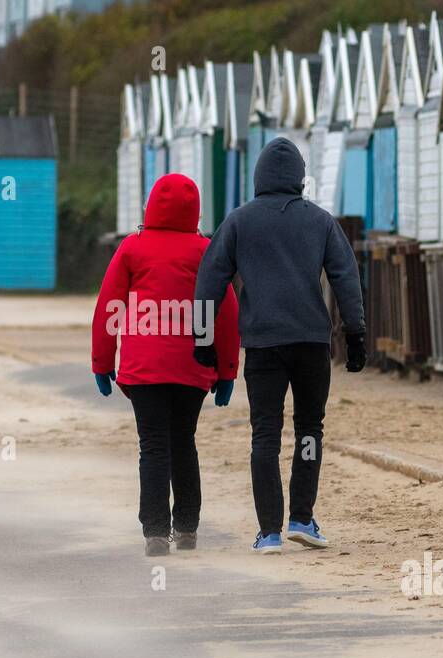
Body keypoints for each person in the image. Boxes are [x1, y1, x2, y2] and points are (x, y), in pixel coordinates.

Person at [193, 137, 365, 554]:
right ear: (300, 180)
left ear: (259, 178)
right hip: (310, 342)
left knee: (264, 434)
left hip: (264, 345)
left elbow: (209, 279)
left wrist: (203, 338)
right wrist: (355, 333)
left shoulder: (239, 221)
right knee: (309, 430)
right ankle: (302, 519)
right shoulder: (321, 222)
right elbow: (346, 276)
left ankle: (269, 531)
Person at [92, 174, 240, 557]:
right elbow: (225, 313)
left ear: (150, 206)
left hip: (144, 369)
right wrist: (226, 370)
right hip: (193, 365)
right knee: (184, 443)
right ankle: (187, 528)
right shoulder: (206, 250)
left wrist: (102, 362)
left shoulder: (132, 247)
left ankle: (156, 533)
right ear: (195, 210)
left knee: (153, 446)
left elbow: (110, 305)